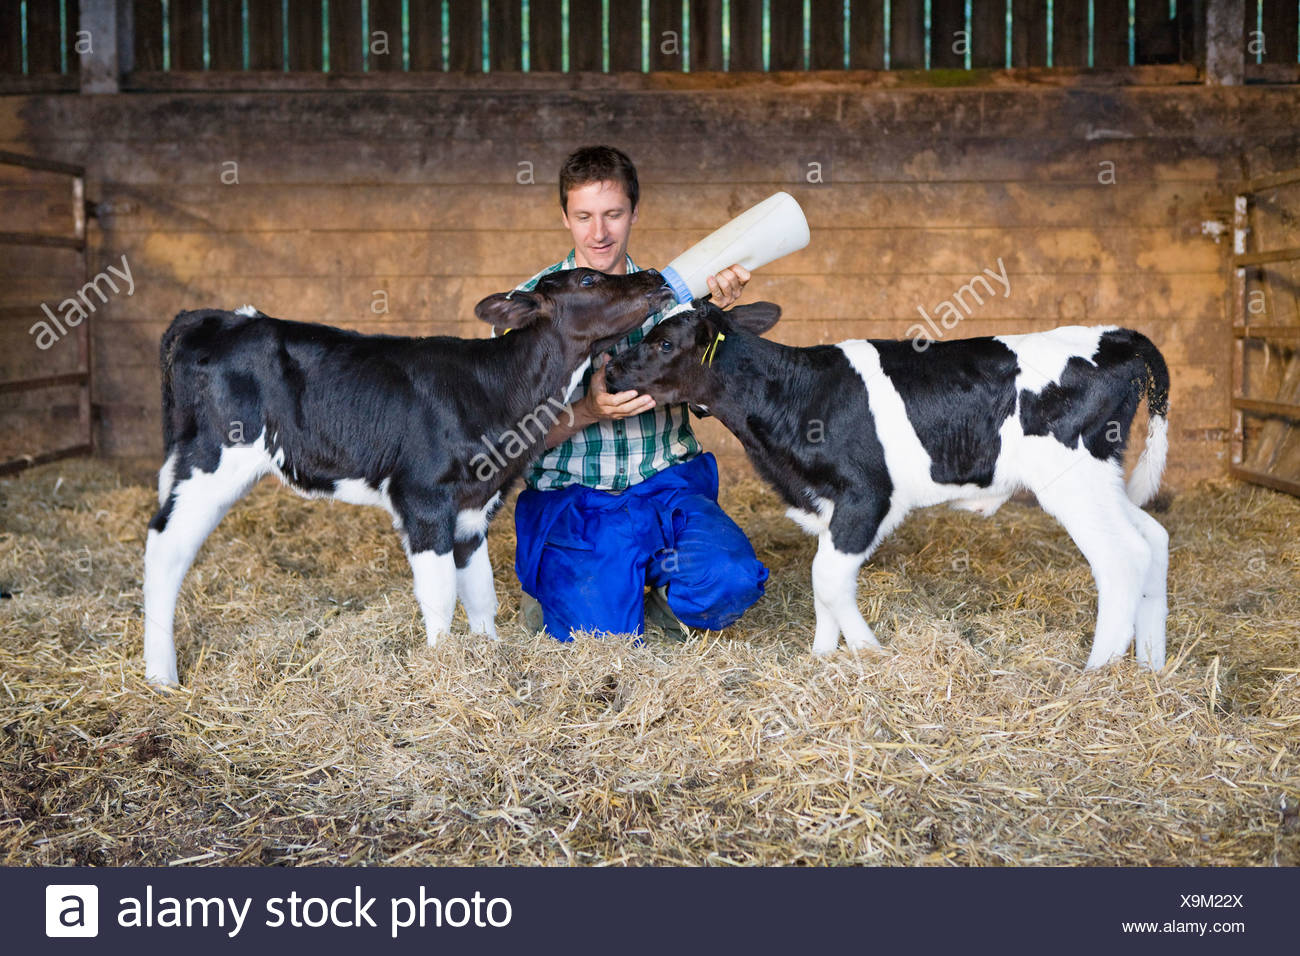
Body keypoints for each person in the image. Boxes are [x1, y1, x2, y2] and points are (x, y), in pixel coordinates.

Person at [512, 145, 769, 642]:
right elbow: (510, 441)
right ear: (564, 216)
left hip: (666, 488)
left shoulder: (675, 295)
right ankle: (568, 585)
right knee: (602, 637)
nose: (599, 232)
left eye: (613, 214)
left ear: (635, 211)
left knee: (732, 580)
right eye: (584, 216)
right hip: (579, 500)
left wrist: (717, 319)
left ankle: (654, 593)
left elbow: (714, 395)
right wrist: (587, 410)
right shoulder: (533, 307)